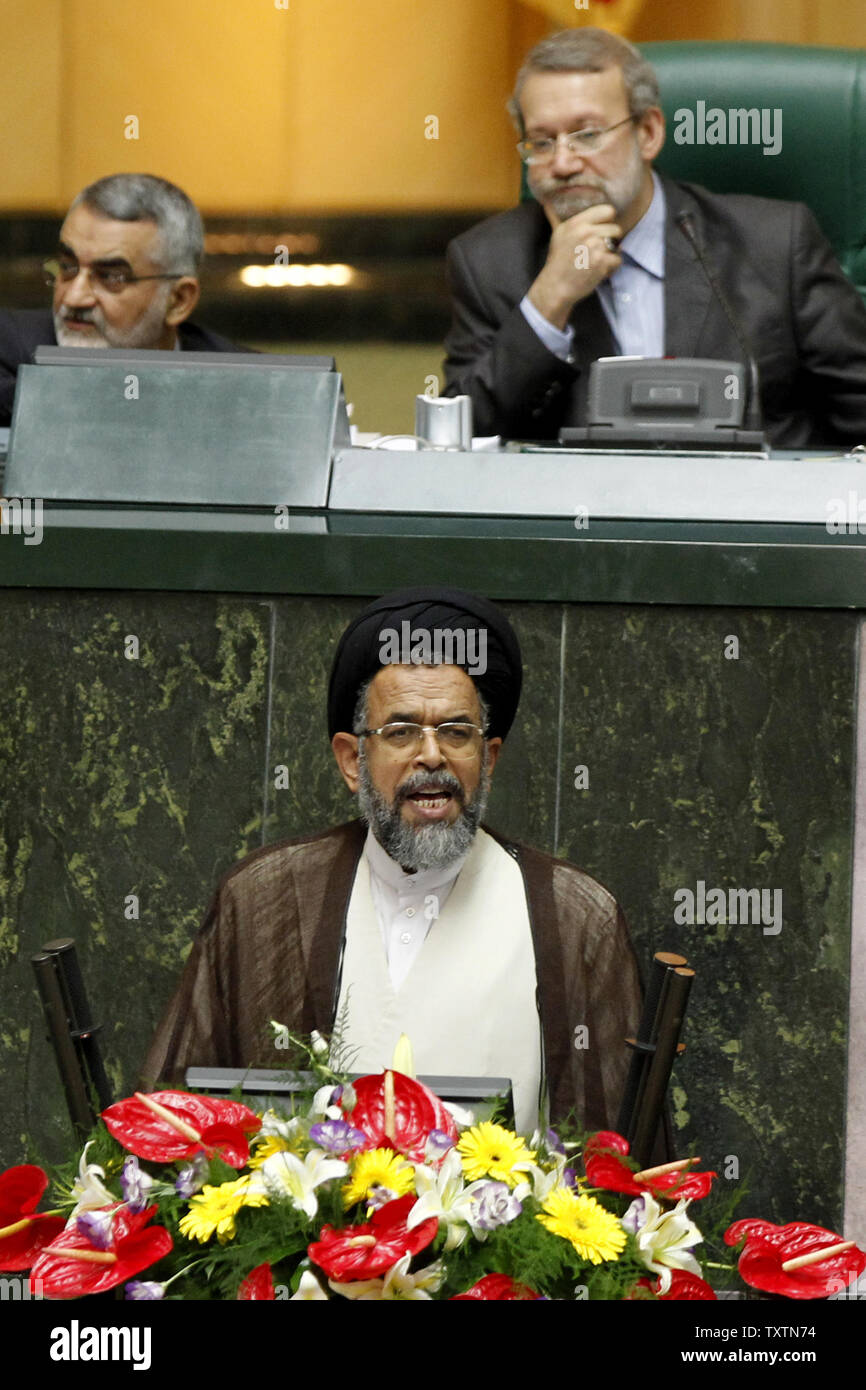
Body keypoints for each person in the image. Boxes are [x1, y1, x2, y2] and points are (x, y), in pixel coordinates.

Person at [143, 586, 642, 1134]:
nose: (431, 755)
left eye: (456, 732)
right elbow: (173, 1131)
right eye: (401, 732)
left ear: (489, 758)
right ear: (352, 760)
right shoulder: (263, 899)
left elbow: (615, 1172)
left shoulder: (573, 917)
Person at [443, 28, 866, 448]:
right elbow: (457, 441)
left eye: (586, 134)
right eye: (541, 141)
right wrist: (548, 303)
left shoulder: (774, 244)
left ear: (648, 133)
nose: (563, 162)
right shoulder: (489, 263)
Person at [0, 173, 238, 424]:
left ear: (178, 300)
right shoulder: (6, 347)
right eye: (68, 267)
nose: (74, 297)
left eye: (112, 277)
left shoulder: (247, 386)